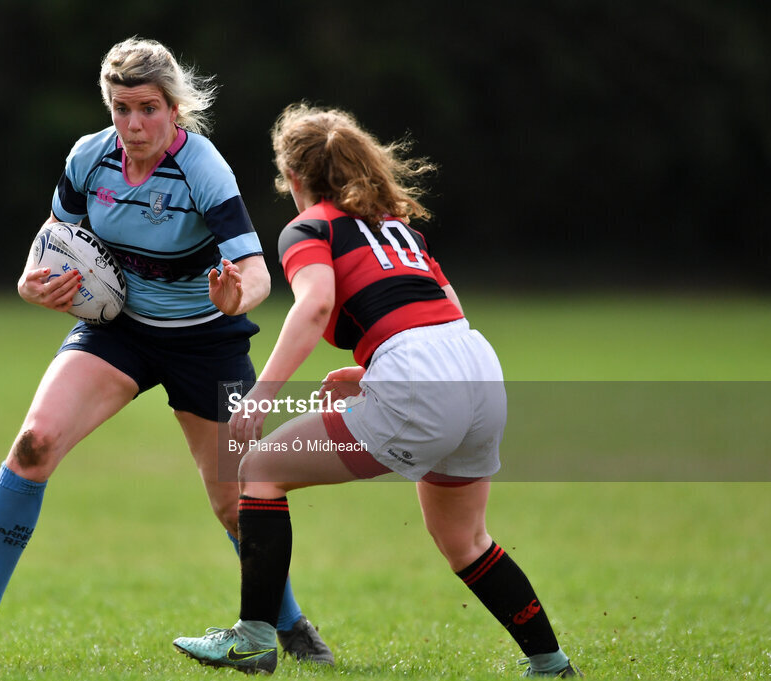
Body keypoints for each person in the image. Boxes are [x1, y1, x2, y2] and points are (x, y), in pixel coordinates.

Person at [0, 38, 333, 666]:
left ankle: (291, 624)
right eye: (121, 108)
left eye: (148, 109)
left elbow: (255, 270)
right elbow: (56, 233)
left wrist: (234, 297)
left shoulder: (203, 169)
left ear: (174, 108)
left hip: (205, 340)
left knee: (234, 501)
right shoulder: (90, 157)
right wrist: (30, 280)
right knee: (34, 443)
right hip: (120, 330)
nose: (133, 125)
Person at [173, 103, 581, 677]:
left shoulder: (310, 227)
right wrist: (374, 373)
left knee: (259, 468)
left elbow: (315, 306)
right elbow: (445, 309)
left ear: (292, 176)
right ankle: (551, 664)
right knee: (465, 540)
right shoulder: (397, 228)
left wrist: (263, 393)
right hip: (476, 368)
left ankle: (254, 638)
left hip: (419, 377)